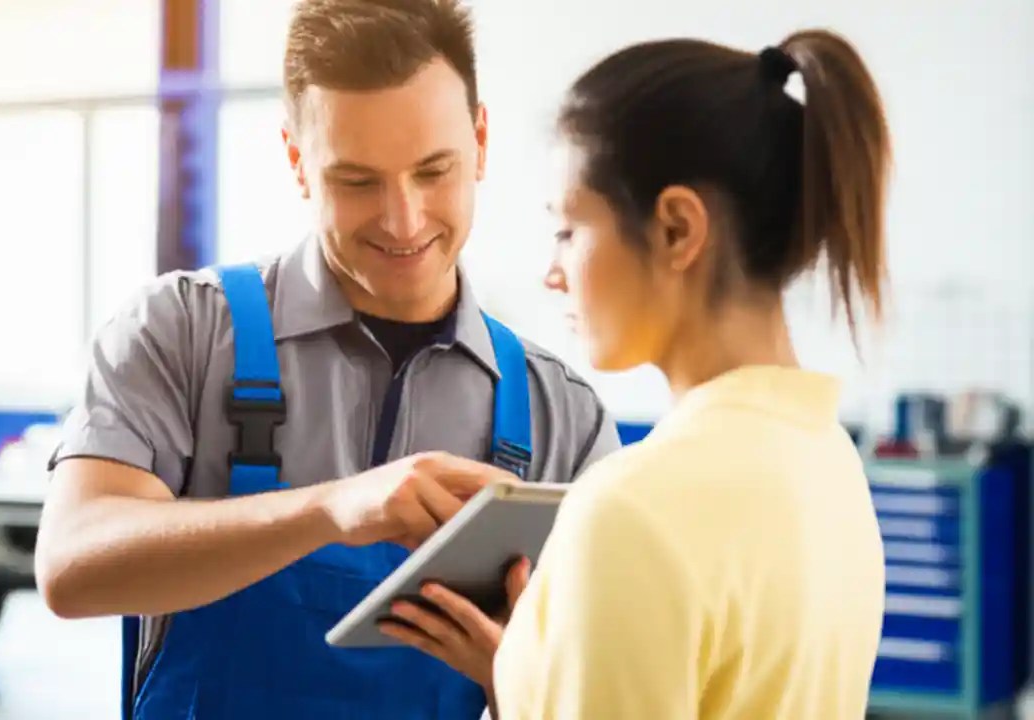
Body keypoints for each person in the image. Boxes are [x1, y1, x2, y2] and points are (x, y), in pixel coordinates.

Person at [34, 1, 620, 718]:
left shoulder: (565, 419)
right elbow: (71, 567)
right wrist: (332, 508)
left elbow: (606, 695)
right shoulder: (181, 331)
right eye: (357, 181)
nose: (404, 219)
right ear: (297, 161)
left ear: (481, 141)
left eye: (434, 171)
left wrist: (517, 679)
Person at [380, 29, 891, 719]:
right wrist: (532, 670)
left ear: (677, 228)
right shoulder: (829, 460)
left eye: (569, 230)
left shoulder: (630, 510)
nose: (553, 273)